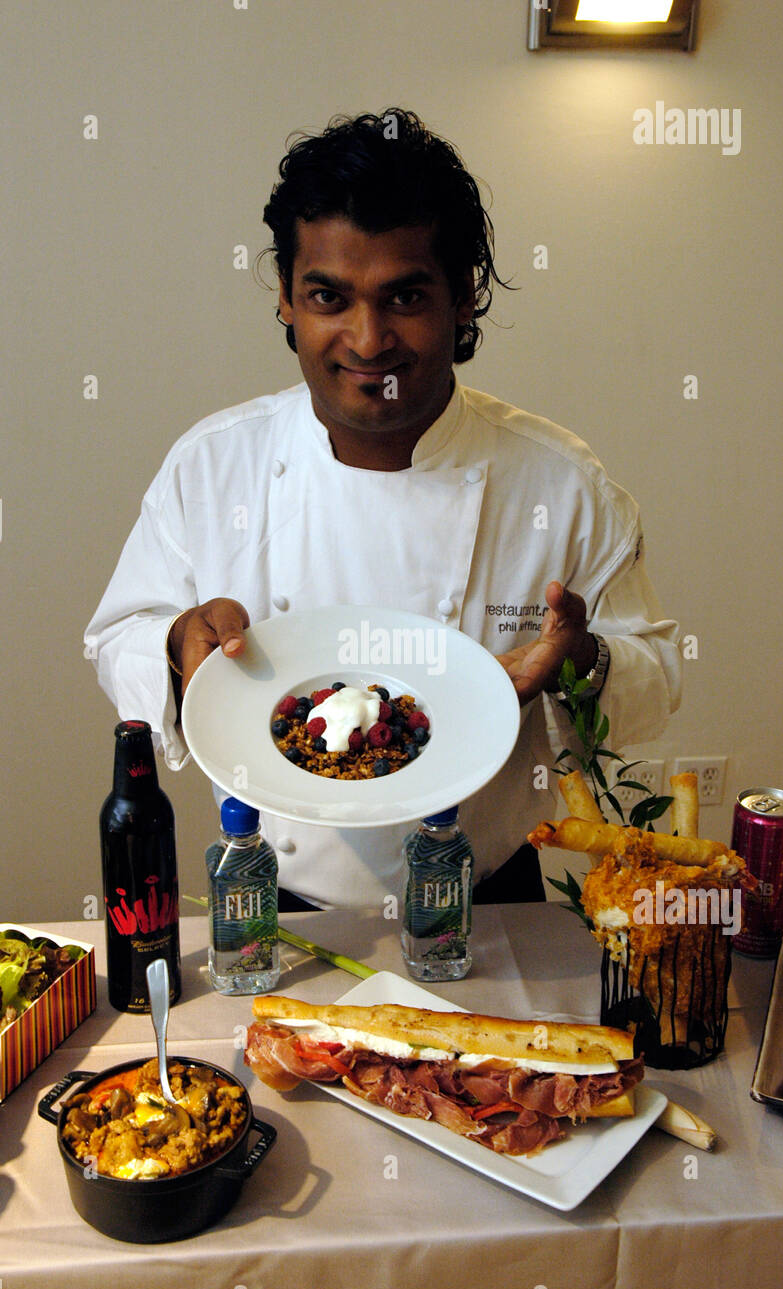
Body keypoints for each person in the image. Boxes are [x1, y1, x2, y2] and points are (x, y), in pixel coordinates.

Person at [84, 109, 681, 913]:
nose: (368, 342)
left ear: (464, 297)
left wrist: (582, 660)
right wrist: (174, 642)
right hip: (270, 894)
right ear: (287, 300)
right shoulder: (213, 466)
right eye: (329, 297)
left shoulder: (563, 484)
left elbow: (658, 676)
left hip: (485, 893)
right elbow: (114, 635)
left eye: (404, 296)